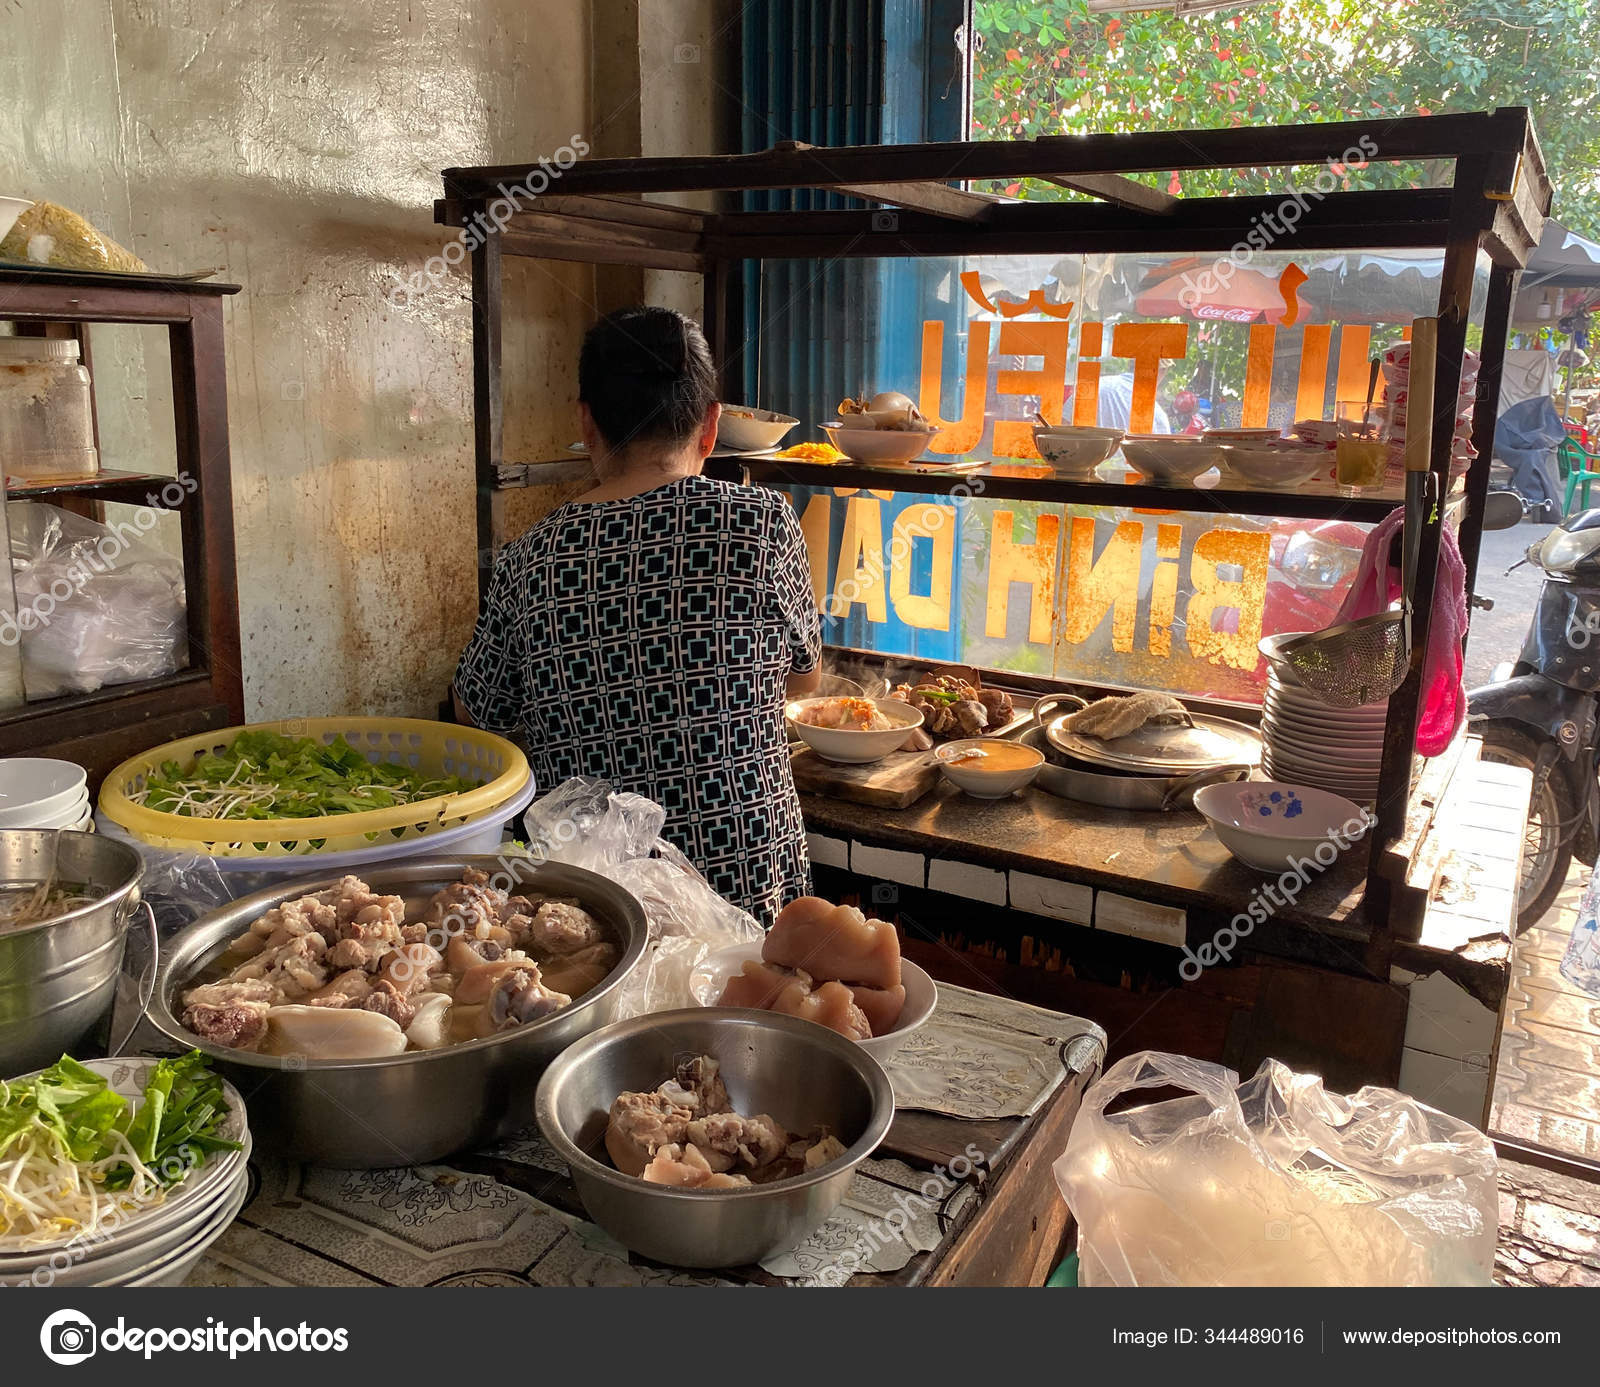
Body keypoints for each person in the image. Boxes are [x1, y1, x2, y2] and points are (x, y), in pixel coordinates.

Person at [453, 306, 822, 925]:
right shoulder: (761, 524)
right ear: (710, 428)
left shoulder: (527, 557)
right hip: (742, 878)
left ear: (587, 423)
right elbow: (805, 679)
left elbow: (476, 712)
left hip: (595, 900)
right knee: (756, 1011)